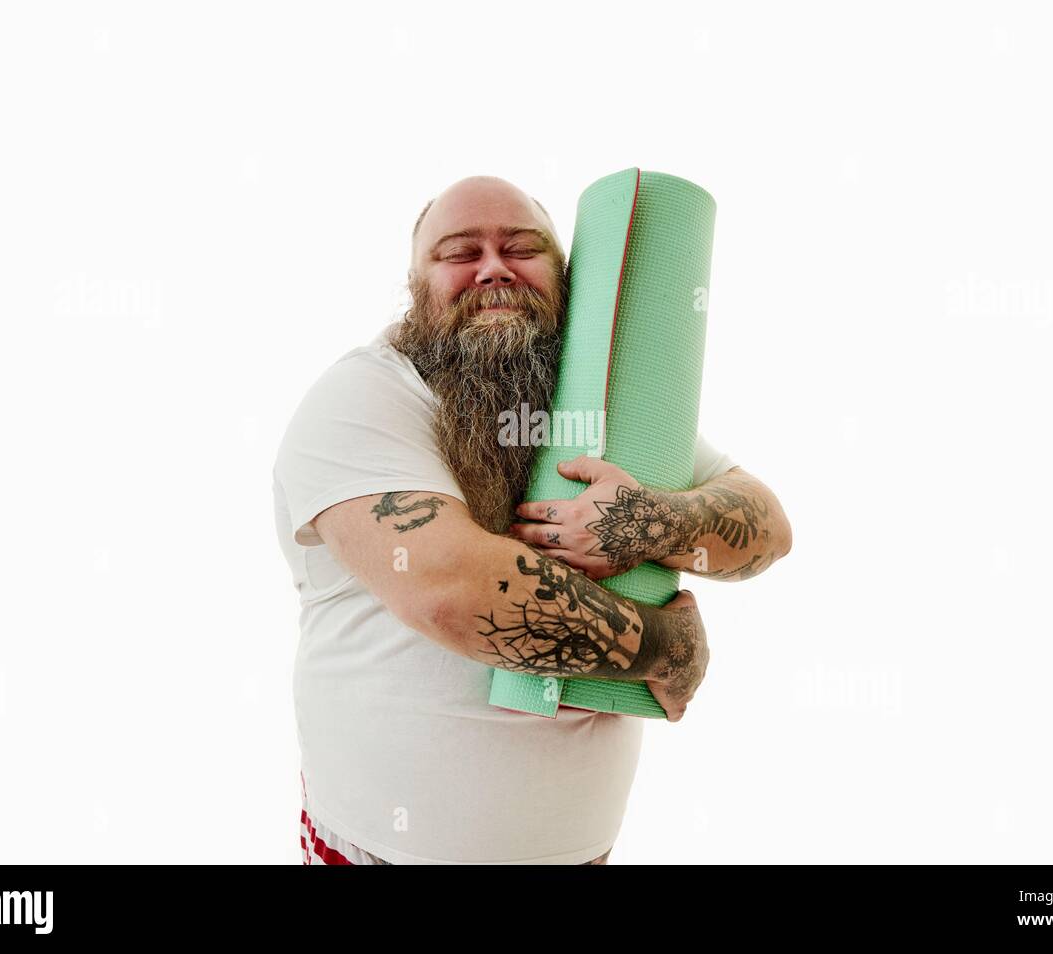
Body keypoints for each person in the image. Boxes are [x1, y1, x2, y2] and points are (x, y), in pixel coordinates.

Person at [273, 176, 792, 864]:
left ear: (566, 276)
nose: (494, 267)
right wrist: (663, 647)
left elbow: (768, 527)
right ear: (414, 285)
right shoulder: (363, 397)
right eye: (460, 252)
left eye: (523, 248)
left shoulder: (586, 405)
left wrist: (655, 521)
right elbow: (452, 590)